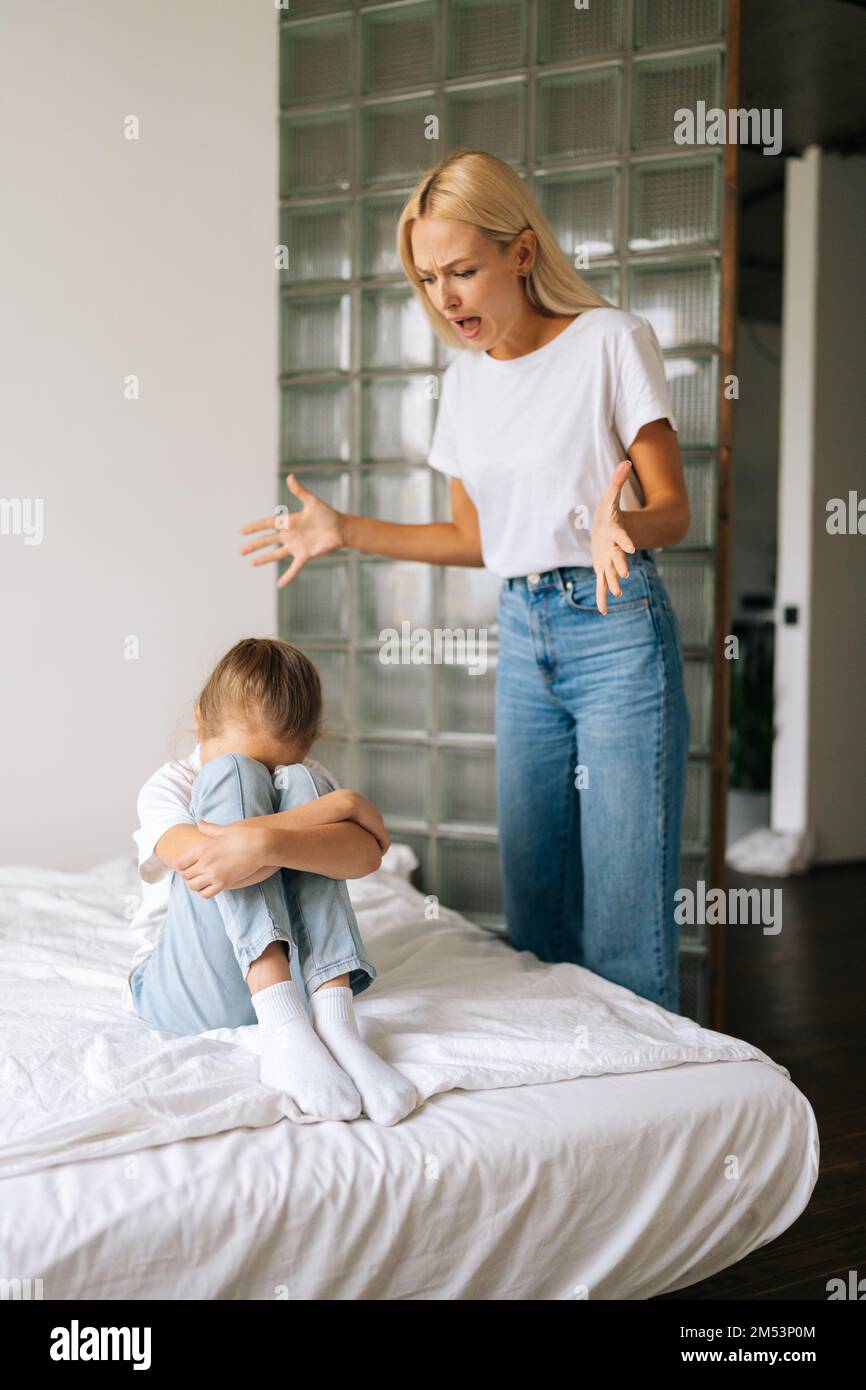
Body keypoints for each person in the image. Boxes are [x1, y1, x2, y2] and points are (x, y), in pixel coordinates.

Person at [239, 148, 691, 1014]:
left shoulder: (611, 341)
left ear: (521, 253)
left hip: (614, 620)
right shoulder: (464, 381)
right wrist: (345, 530)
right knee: (534, 912)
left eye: (462, 270)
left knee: (626, 914)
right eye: (427, 278)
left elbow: (672, 507)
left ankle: (647, 1100)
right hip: (523, 630)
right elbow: (472, 537)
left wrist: (621, 524)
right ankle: (554, 1102)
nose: (445, 298)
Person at [124, 636, 418, 1125]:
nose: (264, 779)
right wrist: (339, 809)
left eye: (275, 766)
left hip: (304, 981)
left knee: (304, 785)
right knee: (231, 779)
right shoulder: (168, 786)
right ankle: (281, 1025)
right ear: (201, 720)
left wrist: (272, 841)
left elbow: (366, 858)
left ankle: (335, 1023)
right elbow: (209, 864)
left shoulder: (304, 775)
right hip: (188, 991)